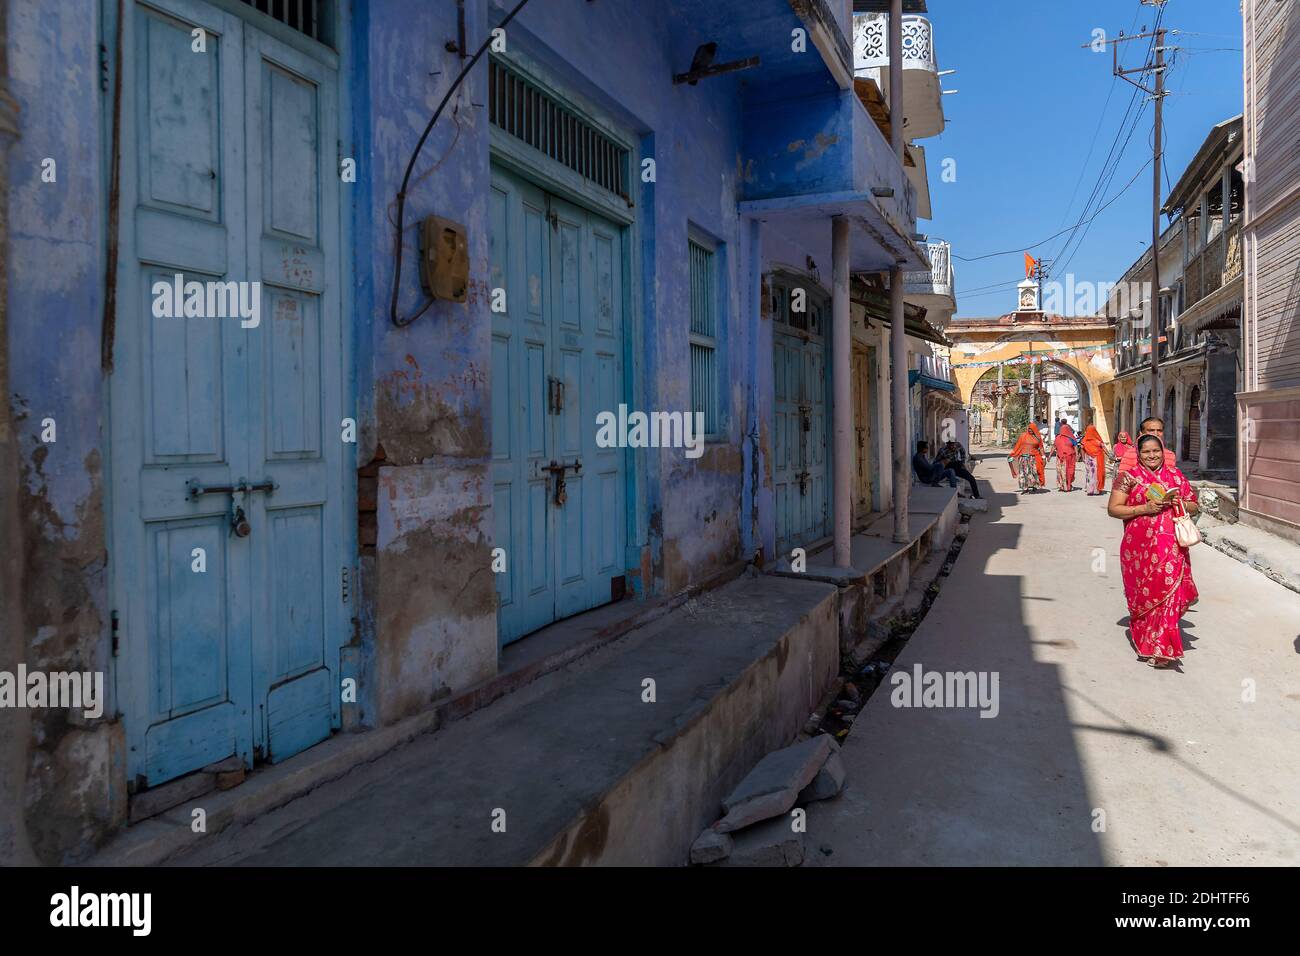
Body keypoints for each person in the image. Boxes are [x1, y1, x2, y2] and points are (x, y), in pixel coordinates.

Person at [1107, 435, 1200, 668]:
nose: (1152, 456)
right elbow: (1114, 509)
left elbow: (1194, 505)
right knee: (1144, 597)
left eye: (1156, 451)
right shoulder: (1127, 477)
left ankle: (1162, 648)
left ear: (1162, 452)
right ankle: (1147, 642)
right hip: (1138, 550)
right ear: (1138, 454)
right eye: (1146, 452)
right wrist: (1144, 508)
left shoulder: (1175, 476)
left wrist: (1178, 501)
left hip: (1171, 549)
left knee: (1168, 595)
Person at [1008, 423, 1046, 487]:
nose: (1030, 430)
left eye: (1032, 429)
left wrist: (1043, 457)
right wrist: (1013, 454)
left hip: (1033, 458)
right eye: (1029, 429)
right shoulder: (1023, 436)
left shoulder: (1038, 437)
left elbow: (1041, 448)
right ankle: (1025, 487)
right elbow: (1018, 446)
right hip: (1024, 458)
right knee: (1024, 473)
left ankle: (1034, 485)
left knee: (1033, 472)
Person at [1080, 423, 1112, 495]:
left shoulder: (1084, 441)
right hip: (1097, 460)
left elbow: (1082, 449)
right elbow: (1104, 449)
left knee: (1090, 474)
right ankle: (1096, 490)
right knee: (1097, 474)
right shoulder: (1098, 441)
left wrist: (1083, 458)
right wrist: (1110, 456)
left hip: (1089, 460)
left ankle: (1090, 490)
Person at [1053, 421, 1077, 491]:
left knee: (1069, 472)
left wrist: (1077, 455)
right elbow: (1054, 446)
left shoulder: (1071, 438)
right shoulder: (1058, 438)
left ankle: (1069, 484)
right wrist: (1049, 456)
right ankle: (1063, 486)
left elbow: (1075, 446)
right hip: (1060, 458)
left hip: (1070, 457)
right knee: (1061, 472)